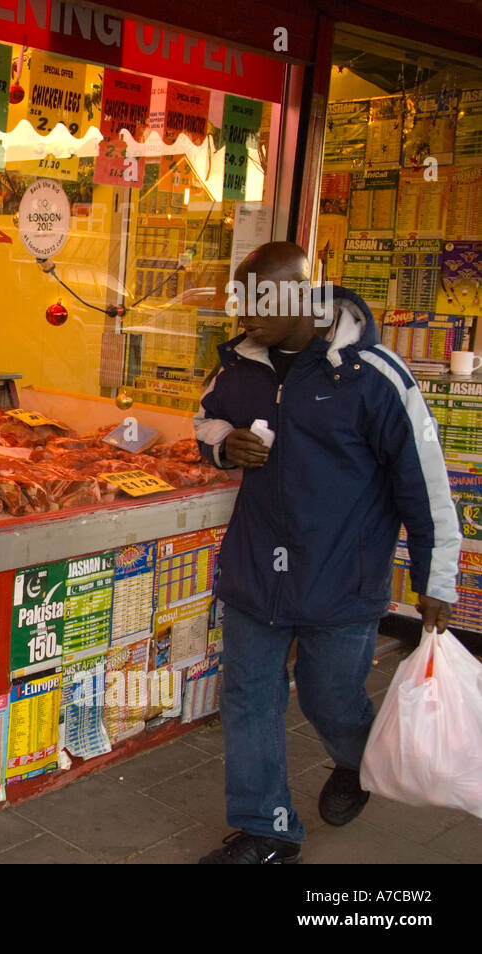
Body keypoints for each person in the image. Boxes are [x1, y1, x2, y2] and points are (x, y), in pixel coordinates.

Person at [193, 241, 460, 864]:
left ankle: (359, 761)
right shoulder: (237, 367)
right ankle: (268, 831)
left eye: (259, 299)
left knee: (328, 696)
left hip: (342, 576)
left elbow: (424, 481)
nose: (245, 314)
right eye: (242, 300)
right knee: (250, 696)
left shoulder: (376, 376)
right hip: (257, 569)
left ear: (302, 295)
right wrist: (224, 446)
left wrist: (435, 577)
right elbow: (204, 420)